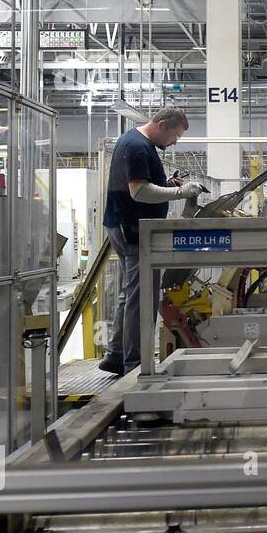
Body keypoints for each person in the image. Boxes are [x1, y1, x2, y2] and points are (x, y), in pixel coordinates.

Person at [98, 107, 205, 375]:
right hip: (133, 231)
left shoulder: (137, 142)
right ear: (162, 125)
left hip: (124, 226)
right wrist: (180, 191)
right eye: (175, 136)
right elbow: (139, 191)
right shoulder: (138, 146)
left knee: (129, 294)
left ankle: (116, 354)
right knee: (141, 297)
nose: (175, 142)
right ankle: (135, 364)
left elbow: (142, 183)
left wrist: (167, 183)